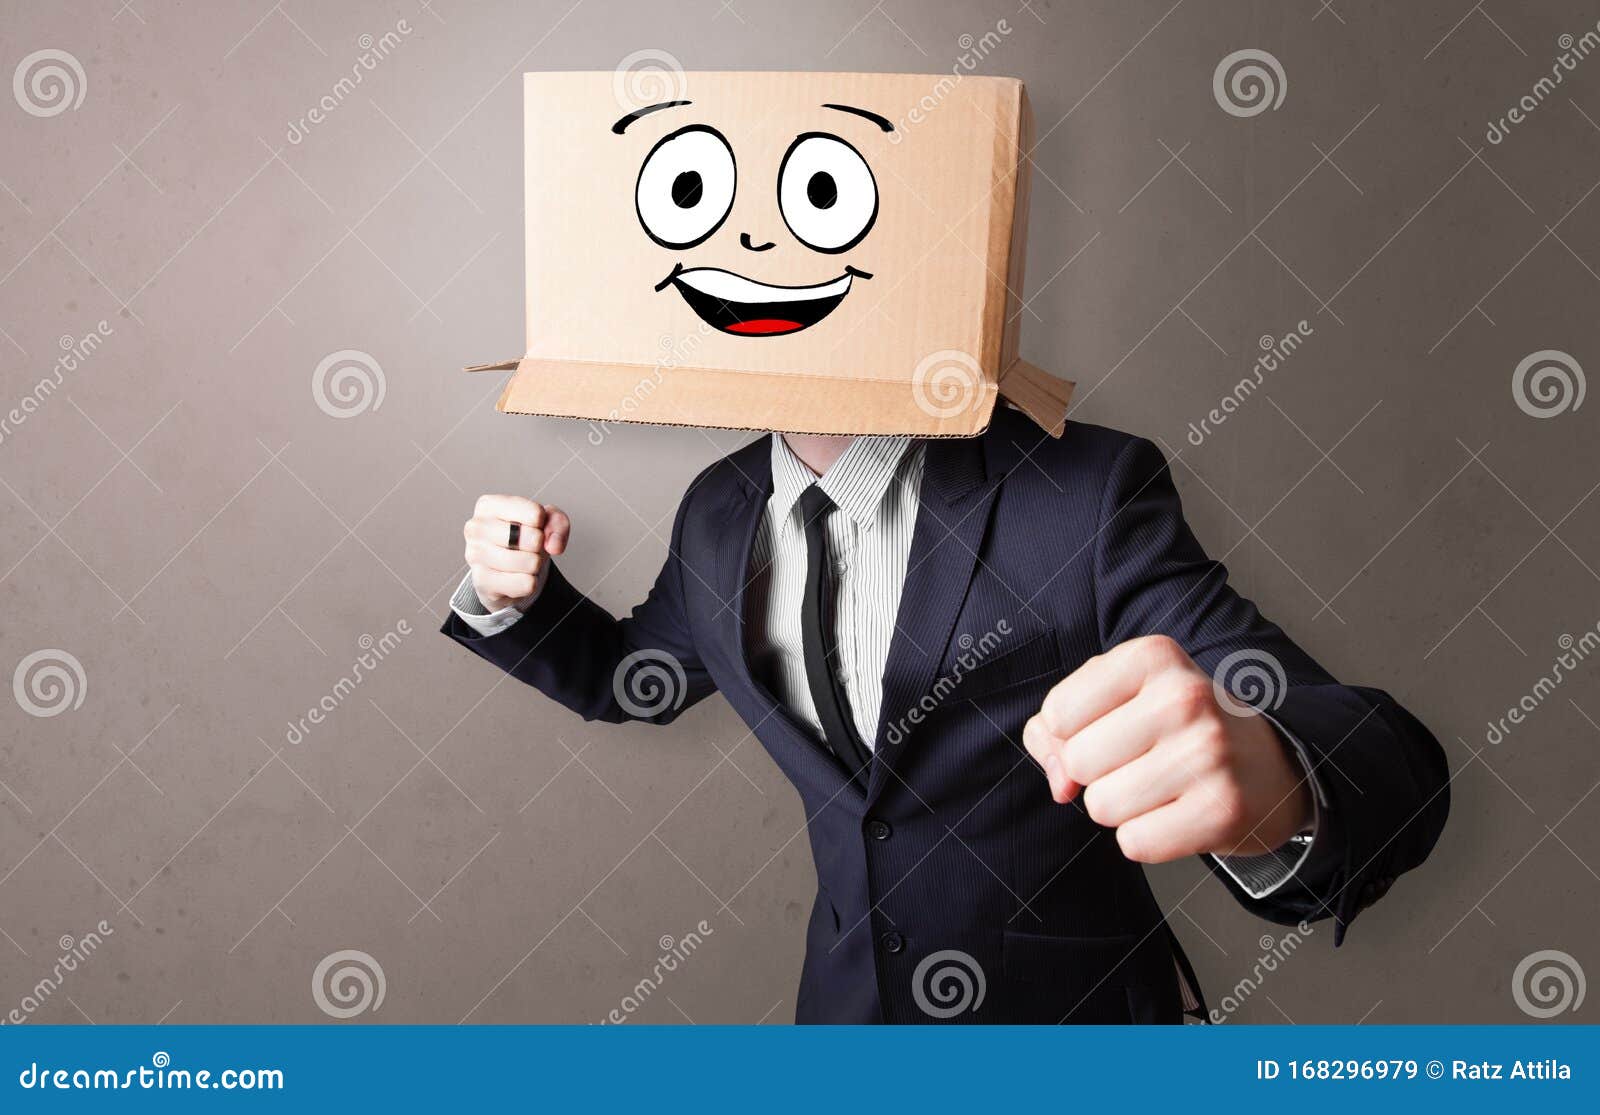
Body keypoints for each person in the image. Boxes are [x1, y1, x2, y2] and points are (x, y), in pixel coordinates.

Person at [441, 411, 1449, 1023]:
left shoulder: (1080, 485)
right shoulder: (719, 505)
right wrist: (518, 597)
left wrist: (1276, 778)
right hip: (847, 1022)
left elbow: (1358, 746)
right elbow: (632, 677)